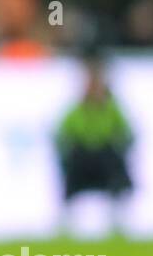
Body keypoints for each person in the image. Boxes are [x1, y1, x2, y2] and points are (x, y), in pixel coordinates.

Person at [54, 54, 135, 237]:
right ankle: (67, 223)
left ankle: (117, 221)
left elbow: (127, 133)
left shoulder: (112, 109)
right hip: (82, 159)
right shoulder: (76, 110)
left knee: (113, 163)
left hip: (106, 158)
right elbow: (62, 134)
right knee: (74, 165)